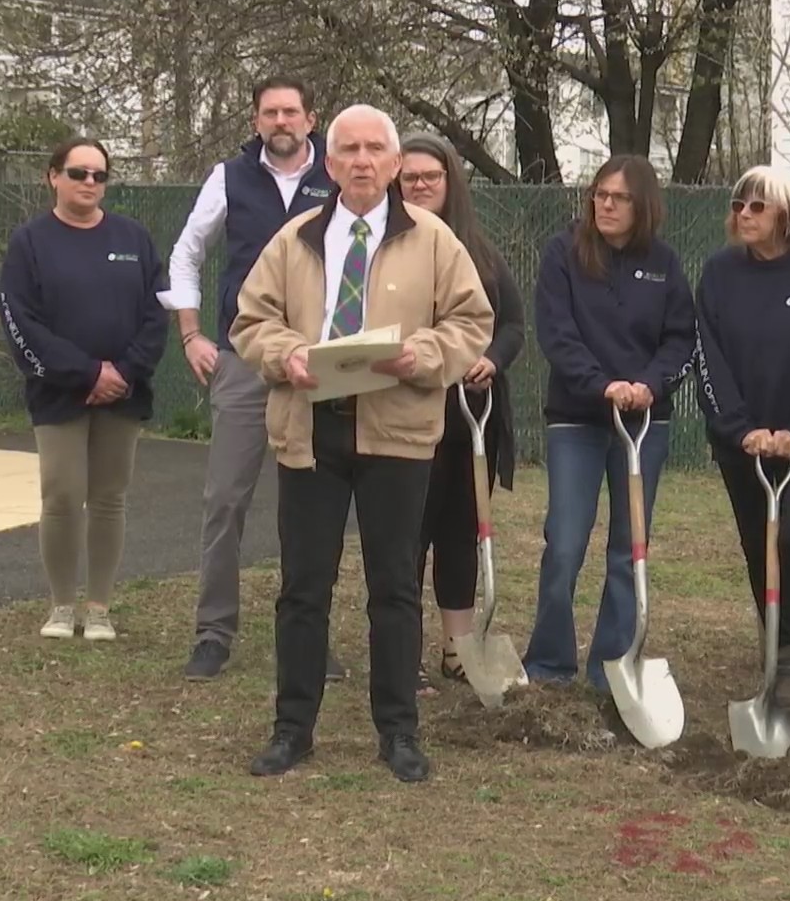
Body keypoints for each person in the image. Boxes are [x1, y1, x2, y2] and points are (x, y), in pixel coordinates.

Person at [230, 105, 493, 783]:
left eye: (376, 148)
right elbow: (250, 320)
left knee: (395, 587)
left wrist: (424, 356)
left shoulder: (433, 241)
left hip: (397, 430)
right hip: (310, 429)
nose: (362, 161)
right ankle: (293, 729)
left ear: (397, 162)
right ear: (329, 161)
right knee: (303, 587)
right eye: (349, 149)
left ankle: (399, 732)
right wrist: (285, 355)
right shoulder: (295, 240)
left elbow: (471, 320)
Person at [162, 76, 344, 683]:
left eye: (291, 111)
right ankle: (214, 632)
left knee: (318, 504)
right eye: (270, 112)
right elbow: (186, 252)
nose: (281, 121)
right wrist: (190, 333)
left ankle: (312, 633)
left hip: (319, 362)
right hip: (244, 357)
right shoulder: (229, 178)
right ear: (255, 120)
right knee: (225, 500)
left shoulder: (340, 178)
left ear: (311, 119)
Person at [525, 155, 696, 691]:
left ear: (642, 204)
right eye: (600, 194)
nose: (605, 204)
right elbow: (557, 333)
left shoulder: (663, 264)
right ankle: (550, 664)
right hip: (578, 419)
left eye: (619, 197)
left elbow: (681, 338)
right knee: (566, 542)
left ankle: (609, 670)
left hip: (644, 424)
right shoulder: (564, 254)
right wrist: (601, 384)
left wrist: (649, 384)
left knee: (629, 547)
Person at [693, 165, 790, 714]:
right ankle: (776, 641)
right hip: (741, 440)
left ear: (788, 212)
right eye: (739, 204)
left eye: (757, 206)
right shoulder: (719, 272)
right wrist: (740, 430)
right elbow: (707, 357)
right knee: (757, 539)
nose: (744, 215)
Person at [0, 137, 170, 642]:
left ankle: (98, 607)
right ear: (53, 176)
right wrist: (86, 374)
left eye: (99, 175)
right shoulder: (30, 242)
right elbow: (20, 321)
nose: (89, 183)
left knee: (110, 498)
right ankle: (60, 606)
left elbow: (155, 313)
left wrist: (123, 373)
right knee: (62, 496)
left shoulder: (134, 238)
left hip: (124, 393)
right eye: (78, 173)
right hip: (59, 394)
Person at [398, 132, 526, 692]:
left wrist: (492, 360)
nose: (421, 185)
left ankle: (458, 648)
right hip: (407, 419)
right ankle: (400, 652)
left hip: (472, 422)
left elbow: (513, 325)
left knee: (459, 534)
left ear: (451, 182)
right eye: (410, 178)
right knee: (407, 536)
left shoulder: (480, 253)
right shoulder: (389, 250)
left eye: (432, 177)